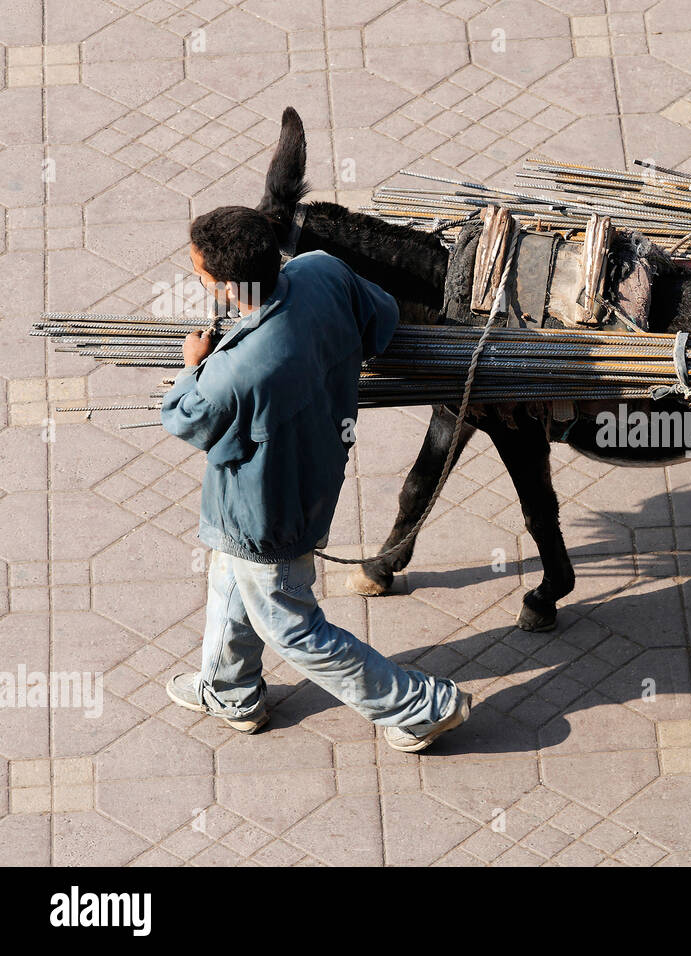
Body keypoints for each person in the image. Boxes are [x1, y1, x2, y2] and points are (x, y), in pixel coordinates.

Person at [160, 205, 469, 753]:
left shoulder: (235, 370)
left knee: (289, 624)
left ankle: (422, 707)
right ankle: (231, 692)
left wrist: (192, 364)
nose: (194, 272)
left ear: (227, 287)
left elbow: (184, 417)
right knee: (231, 582)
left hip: (264, 510)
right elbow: (383, 319)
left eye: (197, 268)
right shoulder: (322, 271)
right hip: (318, 473)